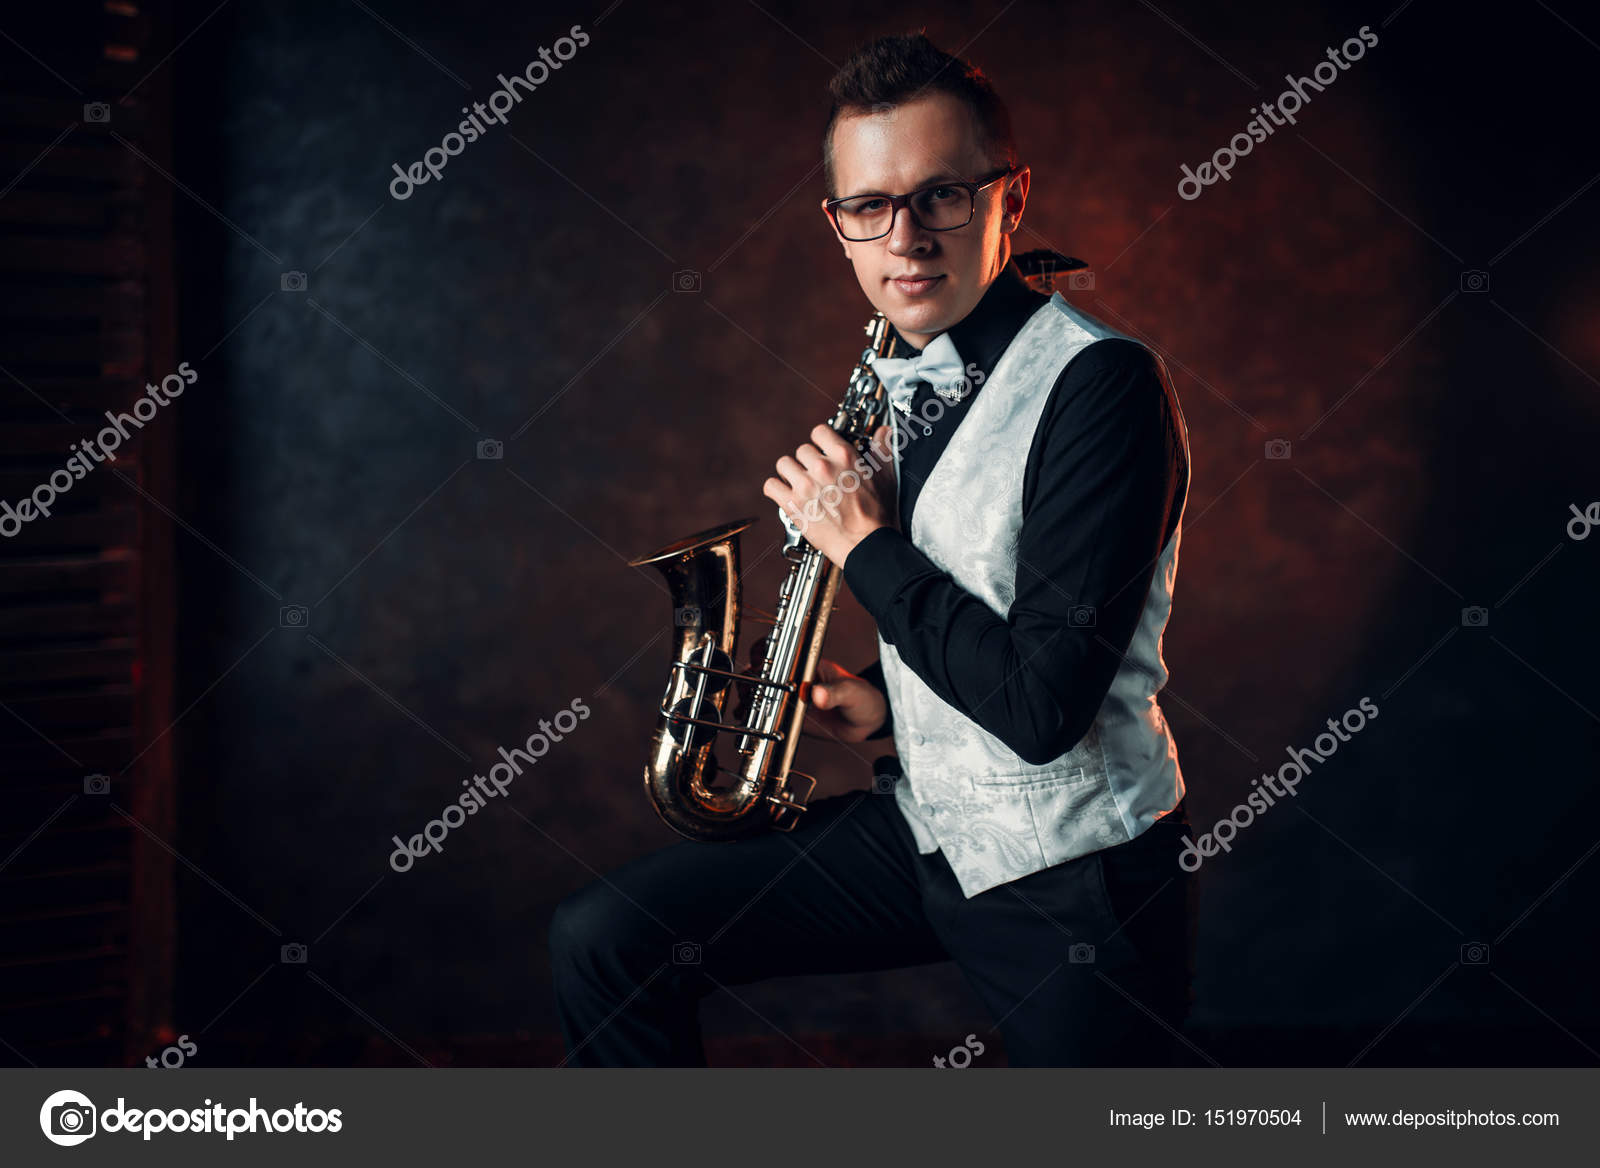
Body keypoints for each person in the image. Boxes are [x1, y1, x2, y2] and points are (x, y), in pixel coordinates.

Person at [549, 31, 1195, 1067]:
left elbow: (1041, 708)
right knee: (605, 938)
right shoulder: (913, 374)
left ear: (1009, 200)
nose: (906, 240)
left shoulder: (1102, 391)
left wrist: (860, 541)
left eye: (942, 195)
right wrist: (890, 714)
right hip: (928, 833)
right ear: (837, 224)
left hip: (1074, 880)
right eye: (869, 207)